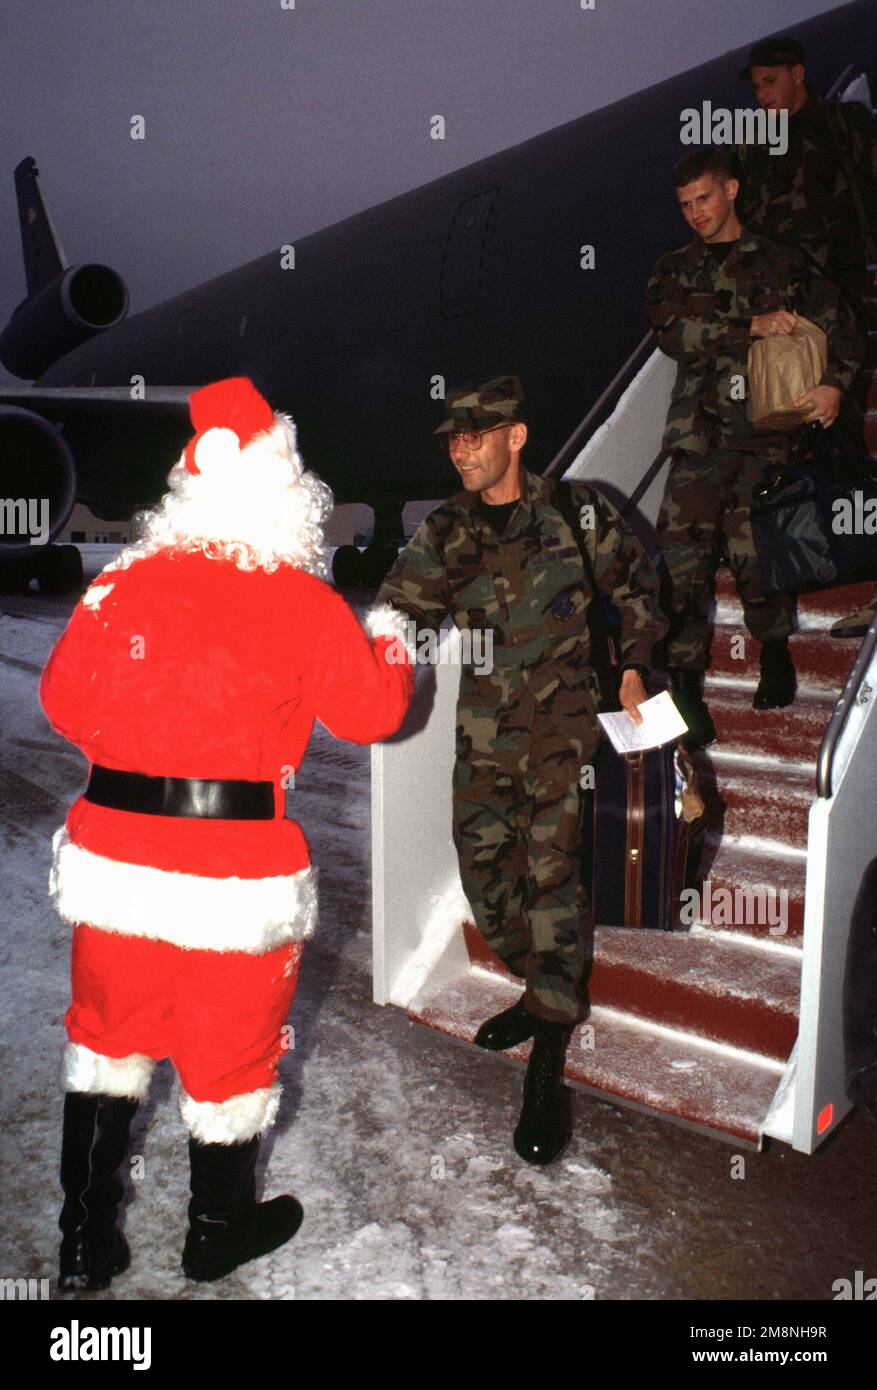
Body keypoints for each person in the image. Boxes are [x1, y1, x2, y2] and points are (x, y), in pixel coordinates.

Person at [40, 376, 413, 1290]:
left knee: (106, 1039)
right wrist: (393, 641)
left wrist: (134, 744)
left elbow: (60, 703)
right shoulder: (300, 600)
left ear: (189, 483)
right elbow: (371, 716)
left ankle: (84, 1240)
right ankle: (216, 1230)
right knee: (231, 1055)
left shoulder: (120, 584)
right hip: (237, 875)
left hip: (116, 864)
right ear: (282, 491)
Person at [372, 376, 667, 1164]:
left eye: (475, 433)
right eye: (451, 438)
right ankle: (540, 995)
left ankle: (545, 1061)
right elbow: (401, 609)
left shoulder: (577, 512)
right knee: (485, 876)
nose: (459, 448)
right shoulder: (446, 530)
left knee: (554, 880)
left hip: (564, 737)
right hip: (484, 735)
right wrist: (368, 657)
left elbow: (638, 589)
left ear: (516, 436)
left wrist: (636, 666)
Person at [647, 147, 864, 748]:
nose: (695, 213)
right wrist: (749, 327)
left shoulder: (781, 262)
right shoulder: (675, 268)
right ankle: (686, 682)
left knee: (757, 551)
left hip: (766, 434)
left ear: (732, 190)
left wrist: (834, 386)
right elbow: (672, 333)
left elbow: (841, 323)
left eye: (705, 199)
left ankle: (773, 651)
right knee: (683, 559)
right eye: (686, 205)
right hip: (698, 434)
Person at [736, 34, 877, 640]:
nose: (761, 95)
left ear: (798, 75)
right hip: (786, 316)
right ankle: (800, 578)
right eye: (756, 85)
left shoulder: (842, 128)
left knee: (844, 444)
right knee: (790, 453)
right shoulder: (751, 146)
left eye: (770, 82)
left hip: (841, 305)